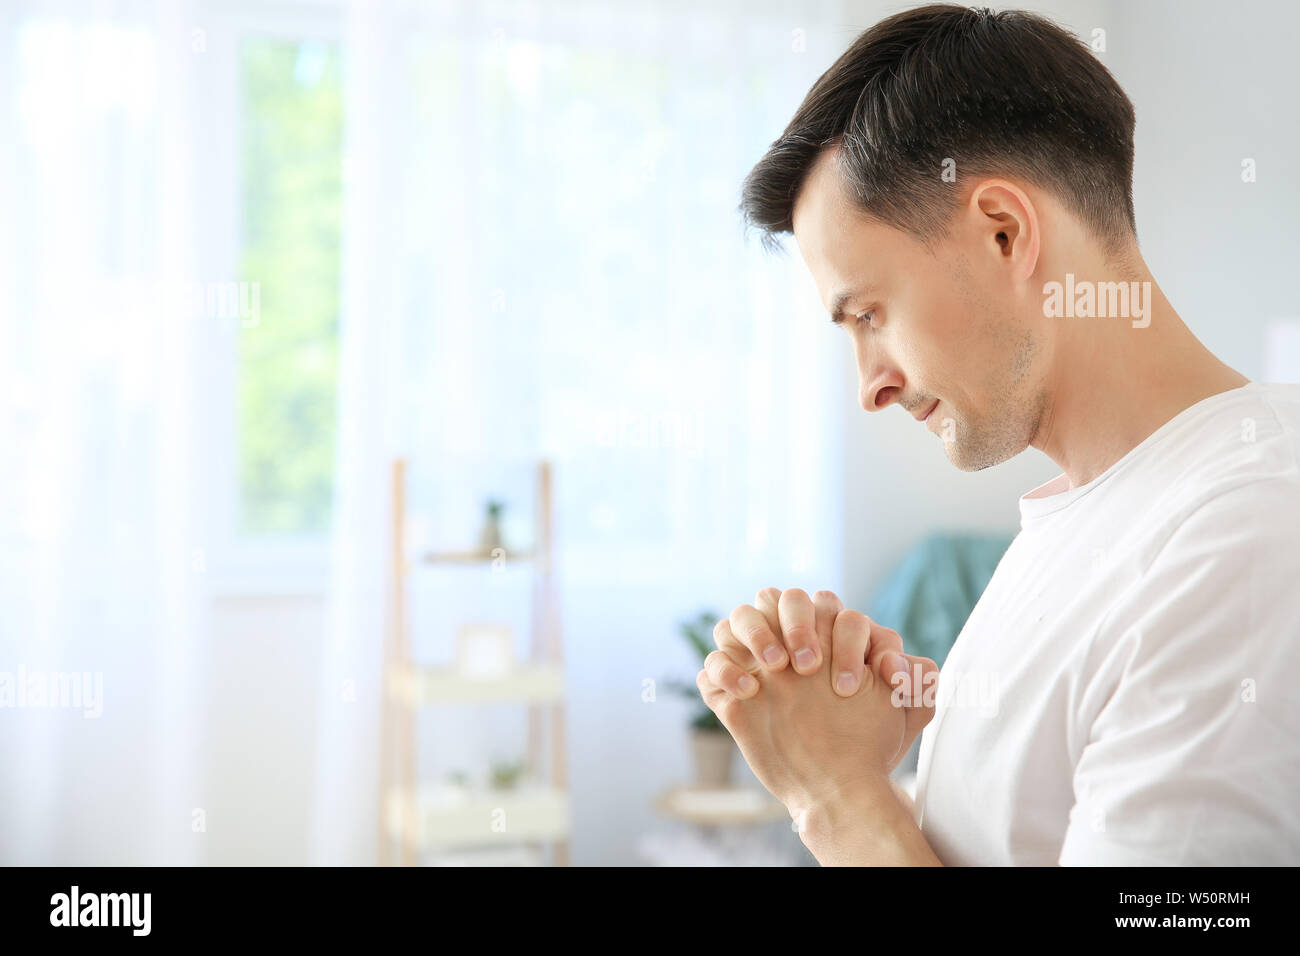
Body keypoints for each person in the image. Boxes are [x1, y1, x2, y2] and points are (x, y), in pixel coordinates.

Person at [696, 3, 1300, 865]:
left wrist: (835, 794)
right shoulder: (1085, 519)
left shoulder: (1245, 538)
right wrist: (868, 757)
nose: (871, 386)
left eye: (870, 313)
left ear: (1004, 232)